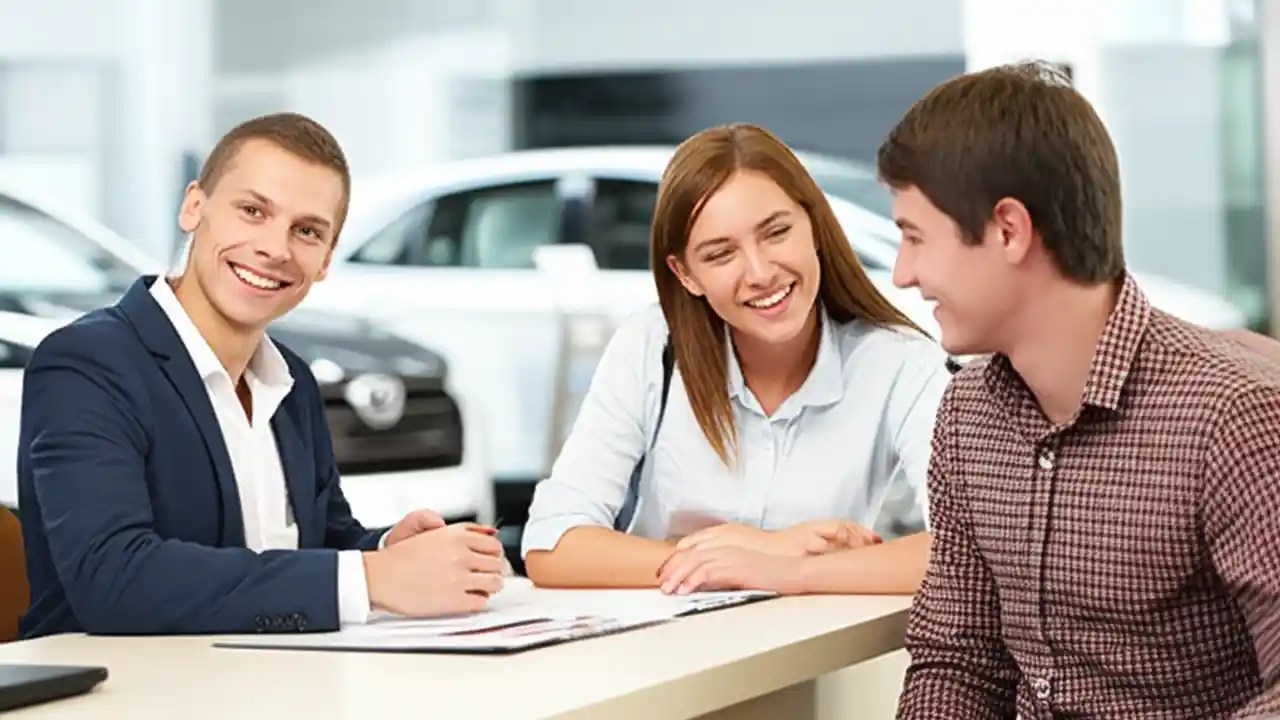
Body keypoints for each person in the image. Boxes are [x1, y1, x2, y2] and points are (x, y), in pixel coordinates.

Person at [883, 62, 1280, 718]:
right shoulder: (968, 415)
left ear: (1008, 230)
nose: (902, 274)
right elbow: (958, 661)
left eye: (914, 237)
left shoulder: (1232, 416)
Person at [17, 112, 505, 638]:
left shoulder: (291, 380)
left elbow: (320, 544)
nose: (276, 249)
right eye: (253, 211)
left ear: (325, 260)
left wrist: (388, 552)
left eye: (307, 231)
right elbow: (113, 580)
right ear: (193, 206)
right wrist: (370, 578)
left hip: (267, 684)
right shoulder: (86, 364)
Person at [521, 123, 950, 595]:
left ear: (815, 226)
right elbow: (551, 543)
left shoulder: (900, 361)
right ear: (685, 274)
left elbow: (966, 550)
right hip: (660, 652)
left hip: (809, 655)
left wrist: (781, 569)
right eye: (721, 254)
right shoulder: (652, 344)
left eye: (777, 233)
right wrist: (749, 553)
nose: (761, 272)